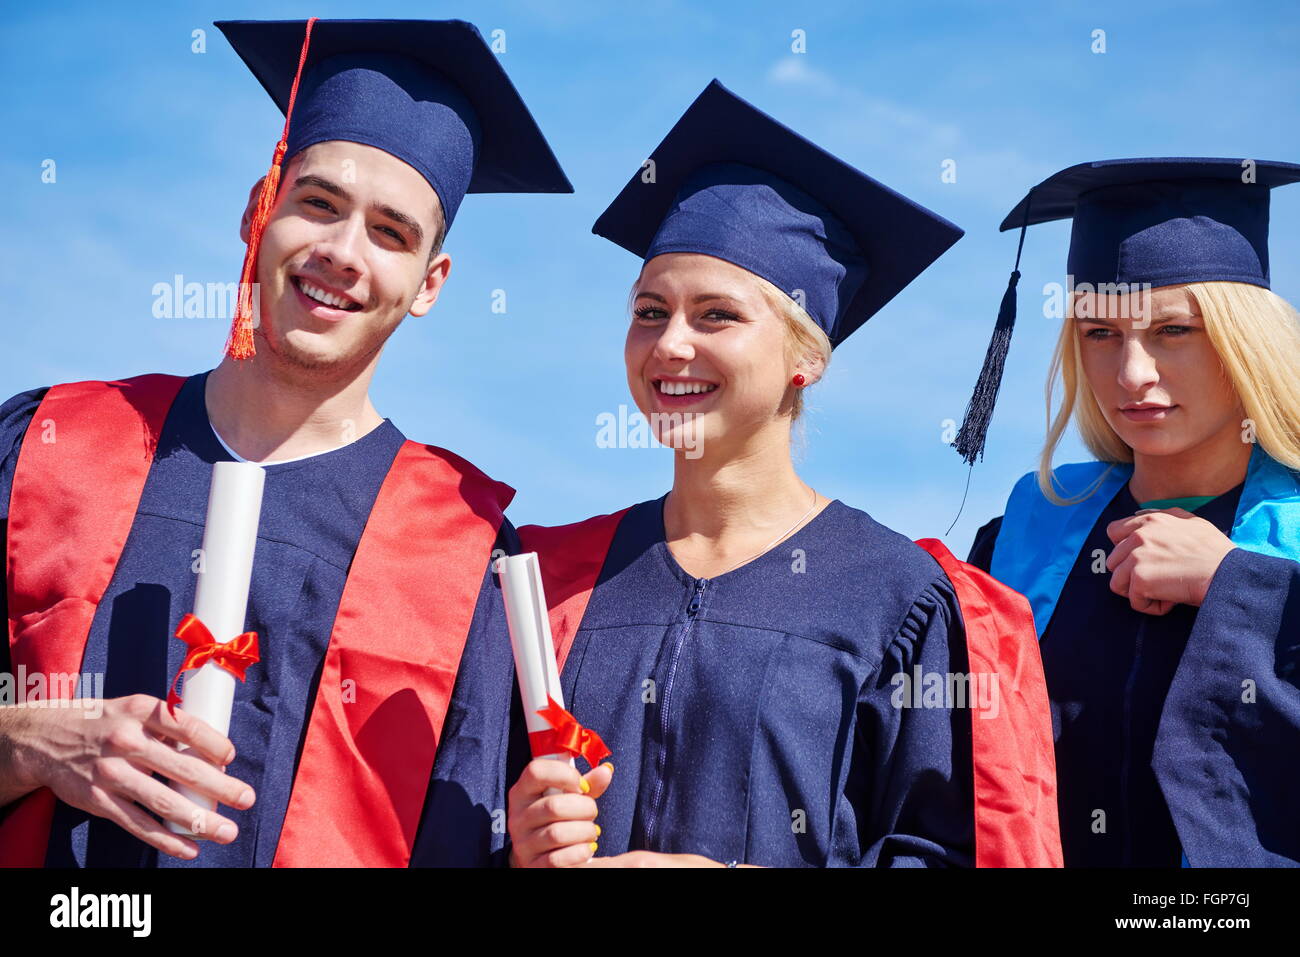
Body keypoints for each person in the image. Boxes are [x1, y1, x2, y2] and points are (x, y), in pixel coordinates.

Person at [0, 17, 571, 868]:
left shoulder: (460, 551)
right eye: (319, 204)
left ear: (429, 285)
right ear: (257, 213)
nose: (342, 252)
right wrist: (26, 739)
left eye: (391, 232)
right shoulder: (51, 447)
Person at [483, 81, 1061, 868]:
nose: (670, 345)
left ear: (806, 359)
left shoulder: (898, 599)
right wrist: (514, 847)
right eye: (650, 311)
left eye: (715, 315)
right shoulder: (552, 584)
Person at [963, 157, 1300, 867]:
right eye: (1099, 333)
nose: (1132, 374)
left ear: (1247, 340)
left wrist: (1238, 584)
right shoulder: (1024, 537)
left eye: (1173, 331)